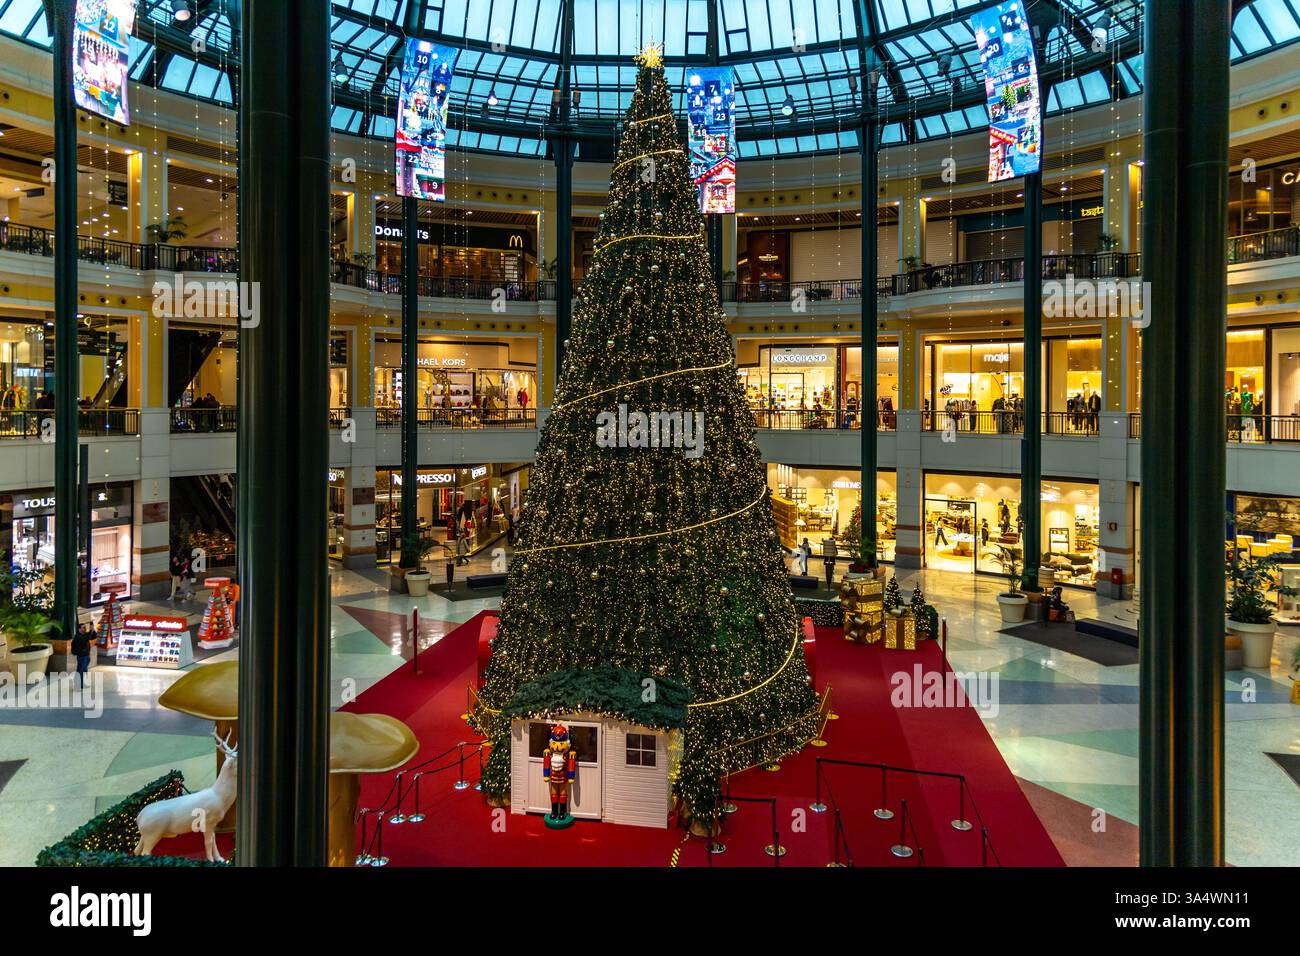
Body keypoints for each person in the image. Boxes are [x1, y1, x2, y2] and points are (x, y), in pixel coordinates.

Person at [72, 623, 93, 687]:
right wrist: (90, 631)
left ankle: (82, 683)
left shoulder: (83, 635)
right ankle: (77, 685)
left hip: (86, 656)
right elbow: (85, 639)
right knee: (80, 671)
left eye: (85, 627)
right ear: (79, 629)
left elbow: (91, 636)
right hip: (82, 657)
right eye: (83, 628)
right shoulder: (78, 636)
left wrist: (92, 630)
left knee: (84, 671)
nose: (85, 629)